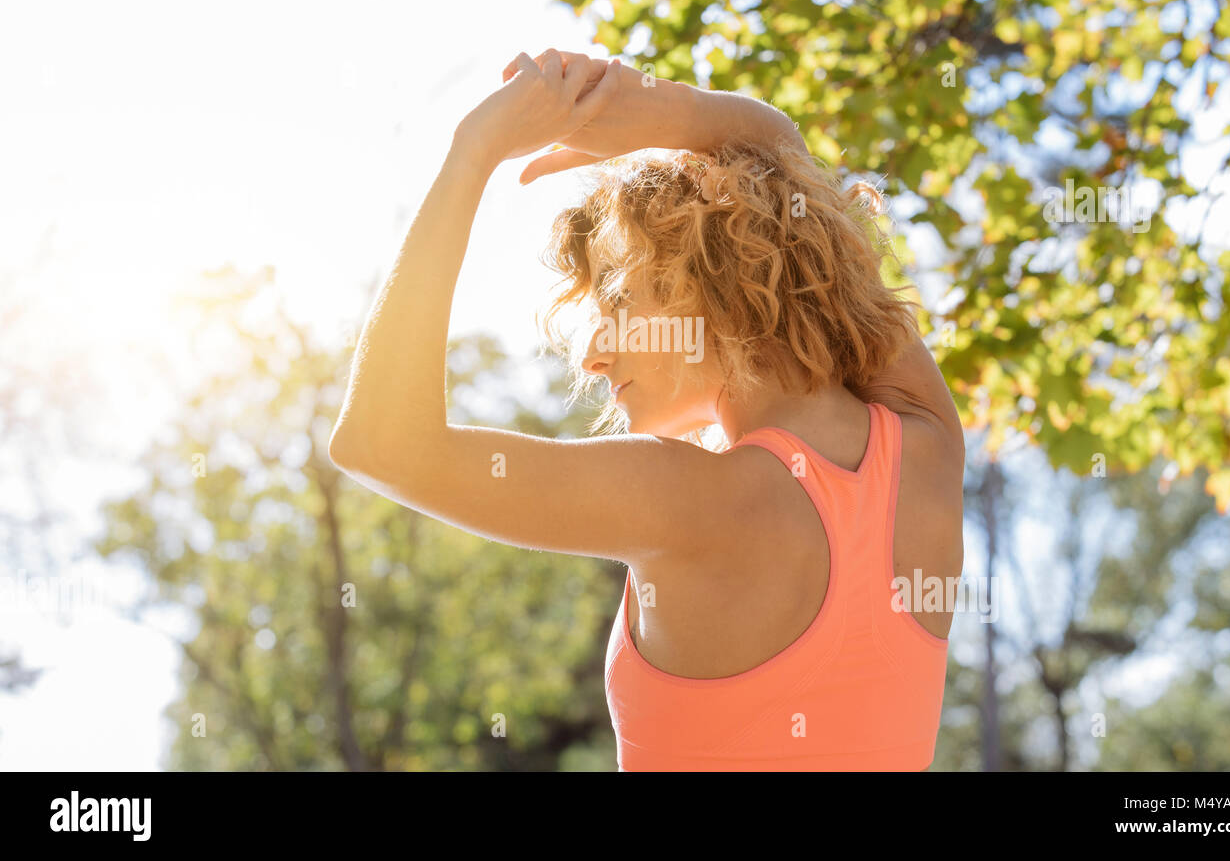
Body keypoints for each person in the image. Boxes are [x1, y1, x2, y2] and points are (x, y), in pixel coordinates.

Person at [328, 49, 965, 770]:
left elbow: (377, 444)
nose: (593, 357)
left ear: (716, 274)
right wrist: (689, 115)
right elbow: (836, 249)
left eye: (621, 302)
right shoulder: (927, 452)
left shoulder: (687, 501)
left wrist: (473, 152)